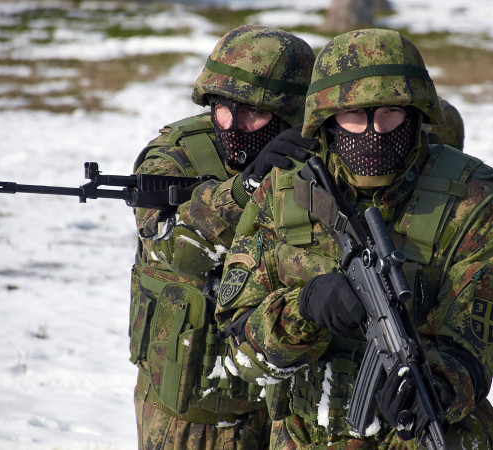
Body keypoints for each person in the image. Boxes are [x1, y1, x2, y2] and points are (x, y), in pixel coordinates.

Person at [215, 28, 493, 448]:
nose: (373, 132)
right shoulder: (283, 191)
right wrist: (305, 307)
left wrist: (438, 389)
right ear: (326, 120)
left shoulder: (470, 201)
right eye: (354, 115)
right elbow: (240, 356)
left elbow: (473, 349)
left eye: (389, 112)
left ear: (416, 114)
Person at [129, 25, 315, 449]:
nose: (233, 125)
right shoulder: (175, 154)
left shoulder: (314, 154)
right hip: (197, 416)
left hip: (295, 411)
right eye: (222, 108)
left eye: (254, 112)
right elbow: (172, 246)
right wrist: (243, 188)